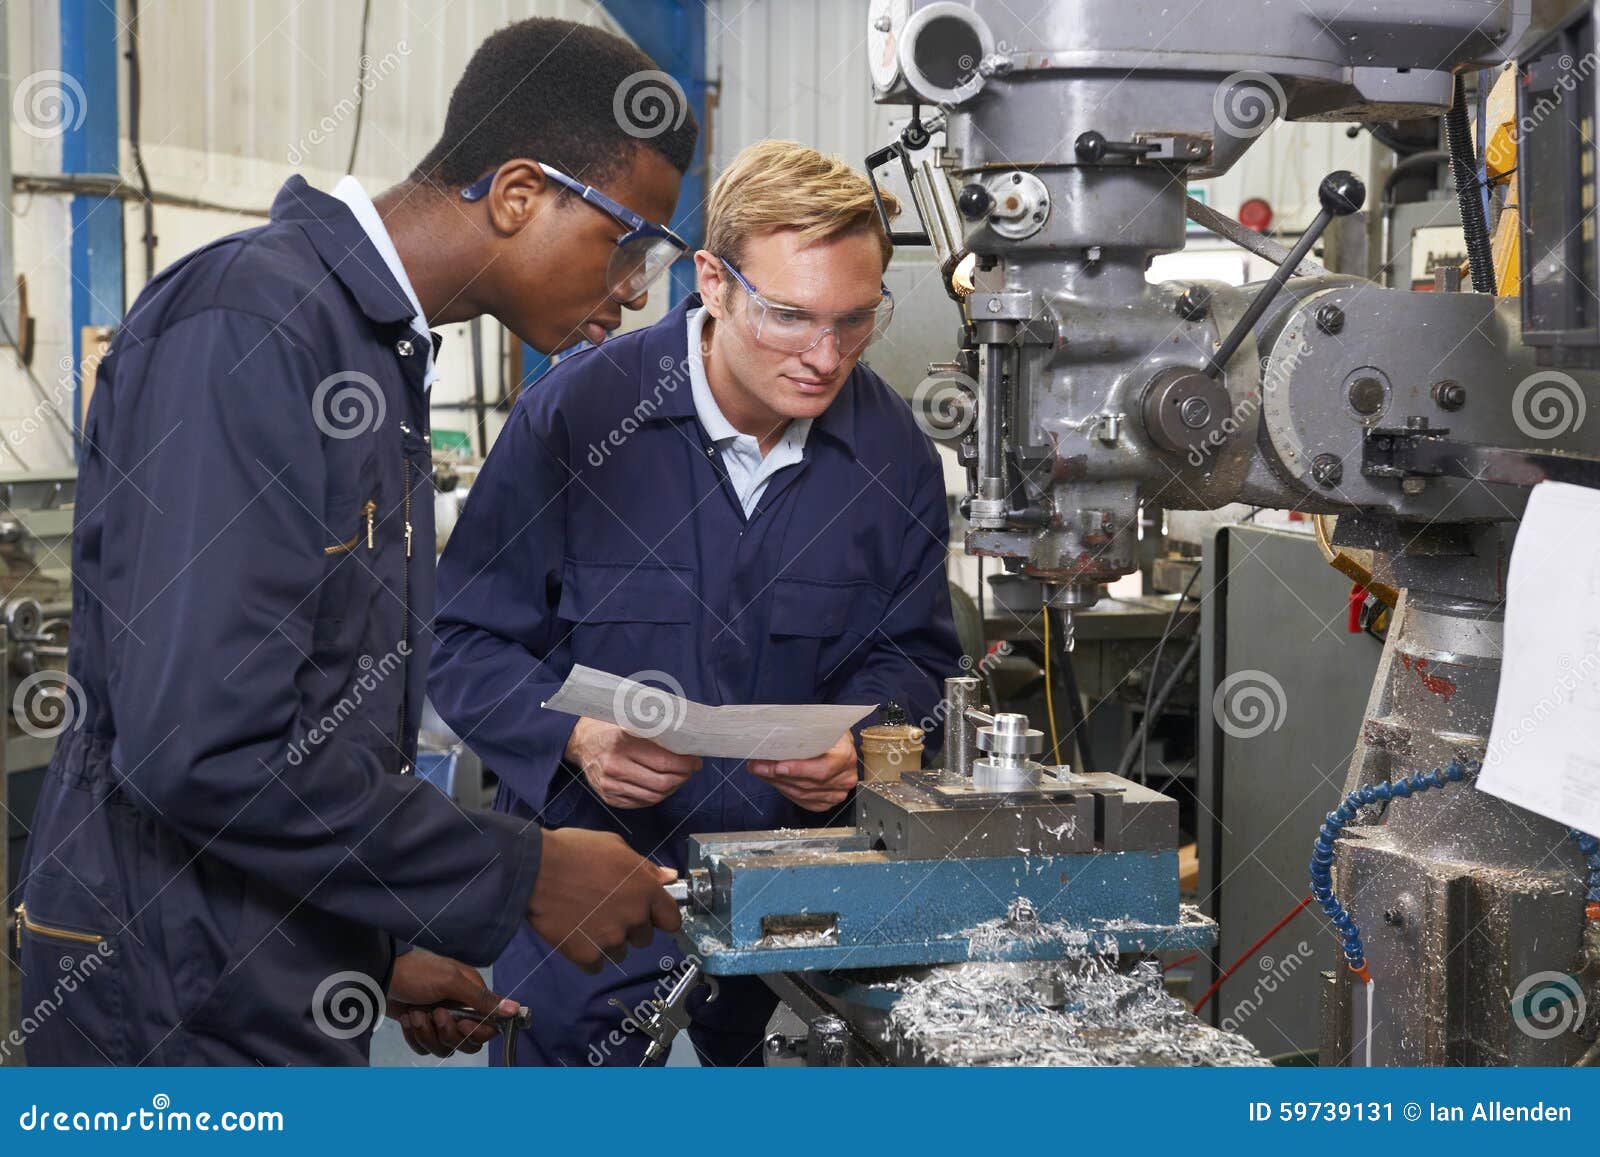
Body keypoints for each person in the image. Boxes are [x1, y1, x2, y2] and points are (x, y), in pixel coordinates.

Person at [15, 17, 695, 1066]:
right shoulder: (253, 326)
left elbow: (304, 726)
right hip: (161, 1003)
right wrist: (522, 871)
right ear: (519, 192)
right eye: (627, 240)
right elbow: (200, 748)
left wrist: (371, 952)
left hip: (255, 961)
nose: (637, 287)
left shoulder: (375, 360)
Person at [429, 139, 963, 1065]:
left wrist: (866, 742)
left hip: (806, 888)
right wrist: (576, 737)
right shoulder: (577, 419)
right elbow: (466, 639)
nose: (825, 355)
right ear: (713, 282)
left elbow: (917, 657)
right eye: (791, 316)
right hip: (596, 880)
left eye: (855, 320)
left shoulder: (893, 455)